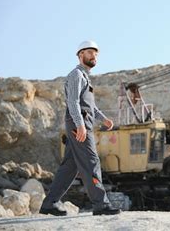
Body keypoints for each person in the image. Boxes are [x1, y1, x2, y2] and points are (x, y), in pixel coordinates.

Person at [40, 40, 120, 216]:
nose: (94, 56)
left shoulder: (85, 77)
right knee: (91, 161)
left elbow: (90, 106)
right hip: (80, 124)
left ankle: (49, 203)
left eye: (96, 53)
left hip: (84, 122)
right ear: (80, 55)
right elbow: (73, 102)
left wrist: (104, 119)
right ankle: (101, 204)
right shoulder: (76, 74)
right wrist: (80, 125)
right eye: (90, 52)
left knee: (71, 166)